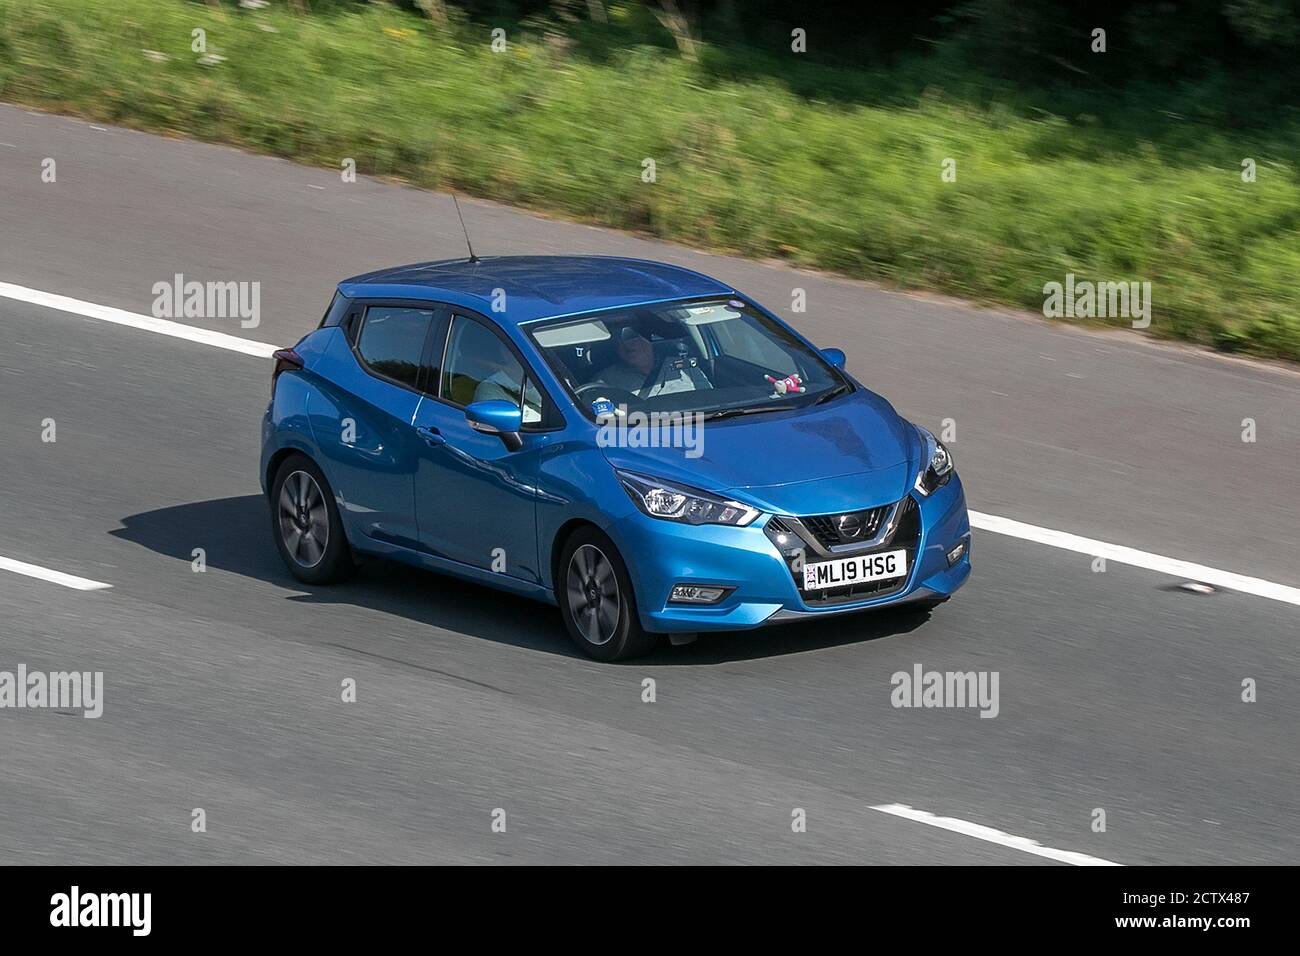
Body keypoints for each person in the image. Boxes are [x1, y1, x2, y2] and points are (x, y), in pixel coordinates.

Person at [598, 325, 709, 397]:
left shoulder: (684, 366)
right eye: (617, 342)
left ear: (649, 341)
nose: (625, 345)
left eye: (631, 337)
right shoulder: (606, 380)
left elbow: (708, 396)